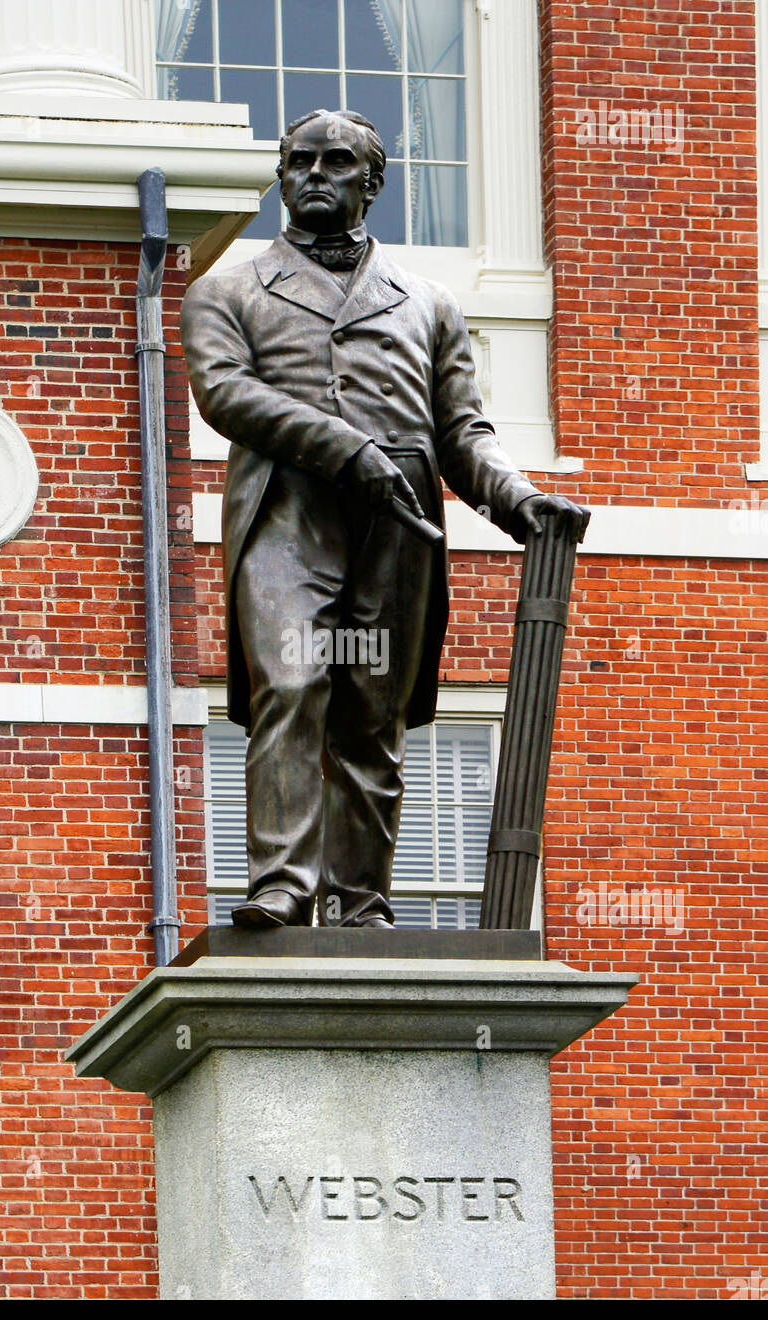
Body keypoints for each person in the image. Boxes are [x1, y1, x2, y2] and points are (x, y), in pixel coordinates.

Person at [182, 109, 583, 929]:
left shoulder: (428, 302)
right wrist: (343, 446)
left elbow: (462, 431)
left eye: (336, 162)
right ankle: (283, 884)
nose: (313, 175)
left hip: (397, 519)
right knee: (292, 681)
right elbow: (224, 392)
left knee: (372, 711)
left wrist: (519, 499)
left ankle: (360, 900)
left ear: (372, 183)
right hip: (288, 511)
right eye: (299, 161)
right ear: (281, 177)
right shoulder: (226, 289)